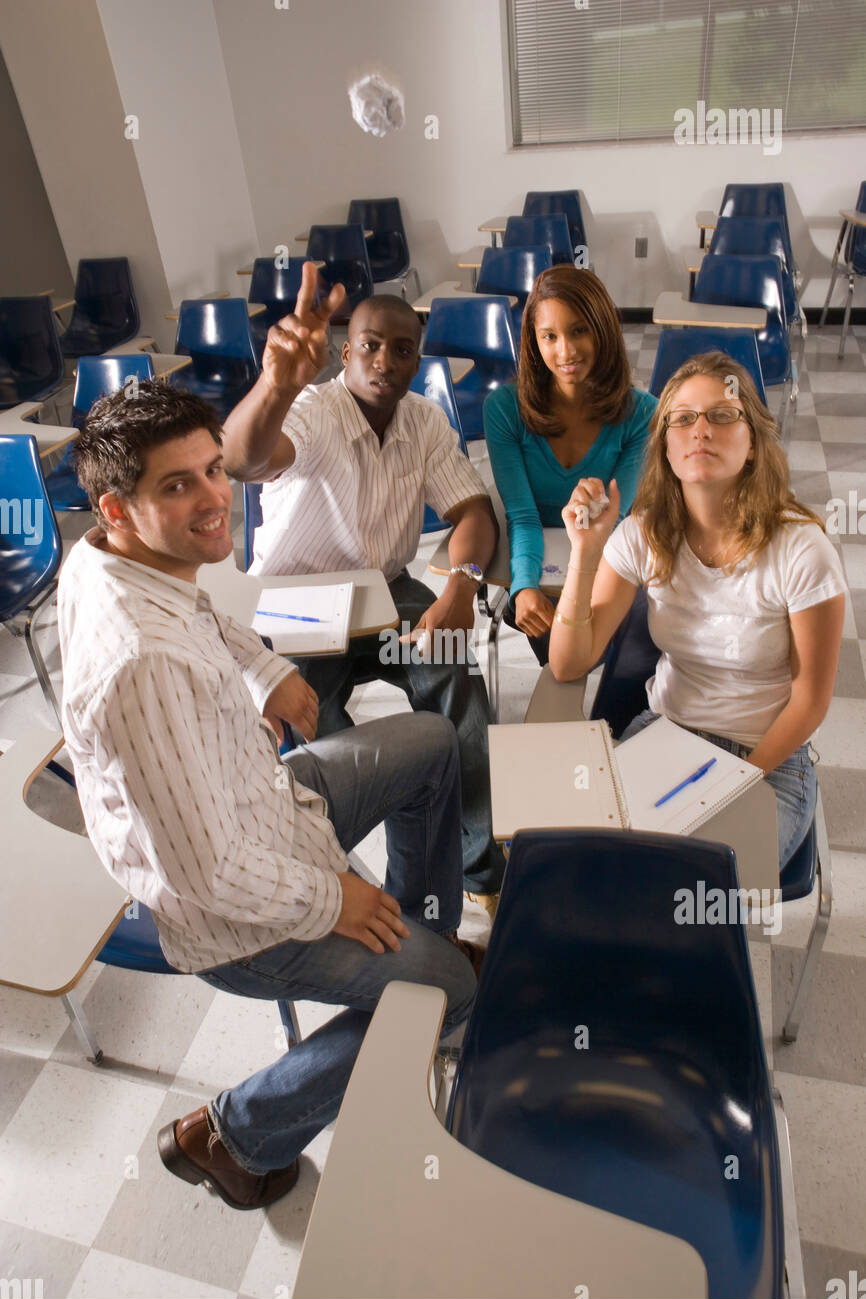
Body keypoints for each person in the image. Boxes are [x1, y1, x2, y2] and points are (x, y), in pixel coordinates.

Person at [57, 376, 476, 1212]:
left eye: (216, 470)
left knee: (430, 742)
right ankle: (236, 1133)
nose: (219, 499)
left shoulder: (114, 555)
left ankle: (411, 945)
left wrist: (268, 669)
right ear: (116, 507)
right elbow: (208, 876)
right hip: (239, 917)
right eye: (179, 487)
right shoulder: (141, 666)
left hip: (265, 797)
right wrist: (338, 902)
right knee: (451, 994)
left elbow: (203, 614)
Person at [221, 262, 505, 915]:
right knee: (317, 729)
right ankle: (341, 881)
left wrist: (460, 587)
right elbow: (242, 460)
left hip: (385, 593)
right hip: (295, 603)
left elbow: (473, 514)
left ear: (416, 361)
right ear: (345, 354)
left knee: (456, 680)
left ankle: (479, 869)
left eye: (402, 350)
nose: (385, 360)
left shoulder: (426, 421)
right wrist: (275, 383)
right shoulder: (313, 409)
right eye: (370, 345)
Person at [549, 351, 847, 869]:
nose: (700, 429)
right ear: (665, 446)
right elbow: (568, 664)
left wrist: (731, 782)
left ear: (752, 443)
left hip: (768, 763)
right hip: (666, 736)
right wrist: (584, 551)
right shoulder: (642, 533)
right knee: (590, 866)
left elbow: (811, 703)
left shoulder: (802, 550)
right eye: (682, 418)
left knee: (694, 885)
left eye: (722, 415)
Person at [484, 266, 656, 665]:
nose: (566, 352)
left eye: (579, 331)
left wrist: (583, 592)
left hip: (604, 559)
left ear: (603, 330)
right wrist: (525, 587)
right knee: (557, 648)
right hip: (537, 566)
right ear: (534, 341)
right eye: (550, 336)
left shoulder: (641, 413)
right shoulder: (503, 409)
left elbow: (613, 521)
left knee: (628, 643)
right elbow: (522, 517)